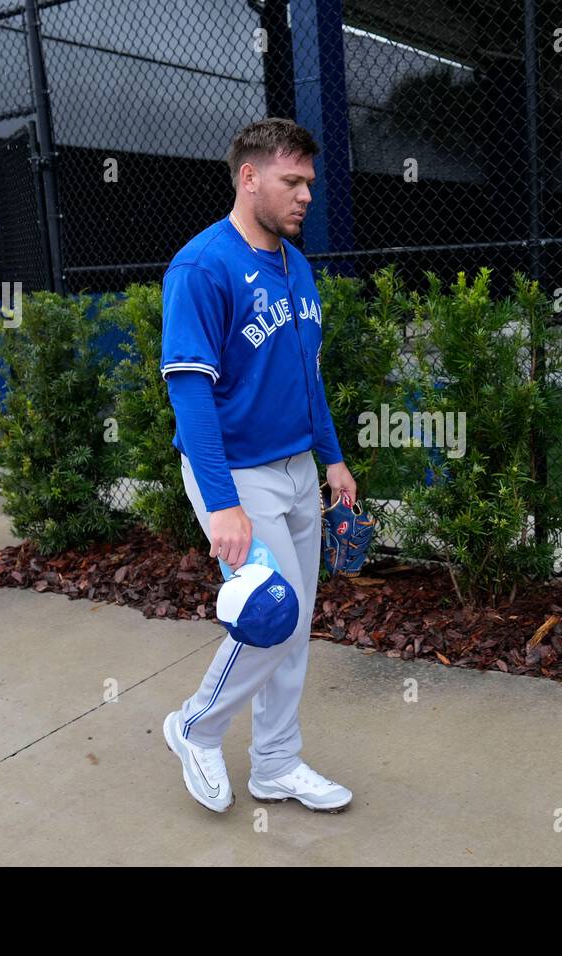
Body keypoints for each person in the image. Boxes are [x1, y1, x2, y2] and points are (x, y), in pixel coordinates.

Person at [160, 118, 357, 814]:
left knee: (295, 625)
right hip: (236, 473)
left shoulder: (295, 266)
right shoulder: (201, 266)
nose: (307, 196)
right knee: (269, 615)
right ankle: (195, 726)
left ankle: (275, 764)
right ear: (250, 178)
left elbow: (308, 375)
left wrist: (332, 460)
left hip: (298, 467)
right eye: (292, 181)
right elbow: (191, 395)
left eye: (310, 182)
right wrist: (223, 504)